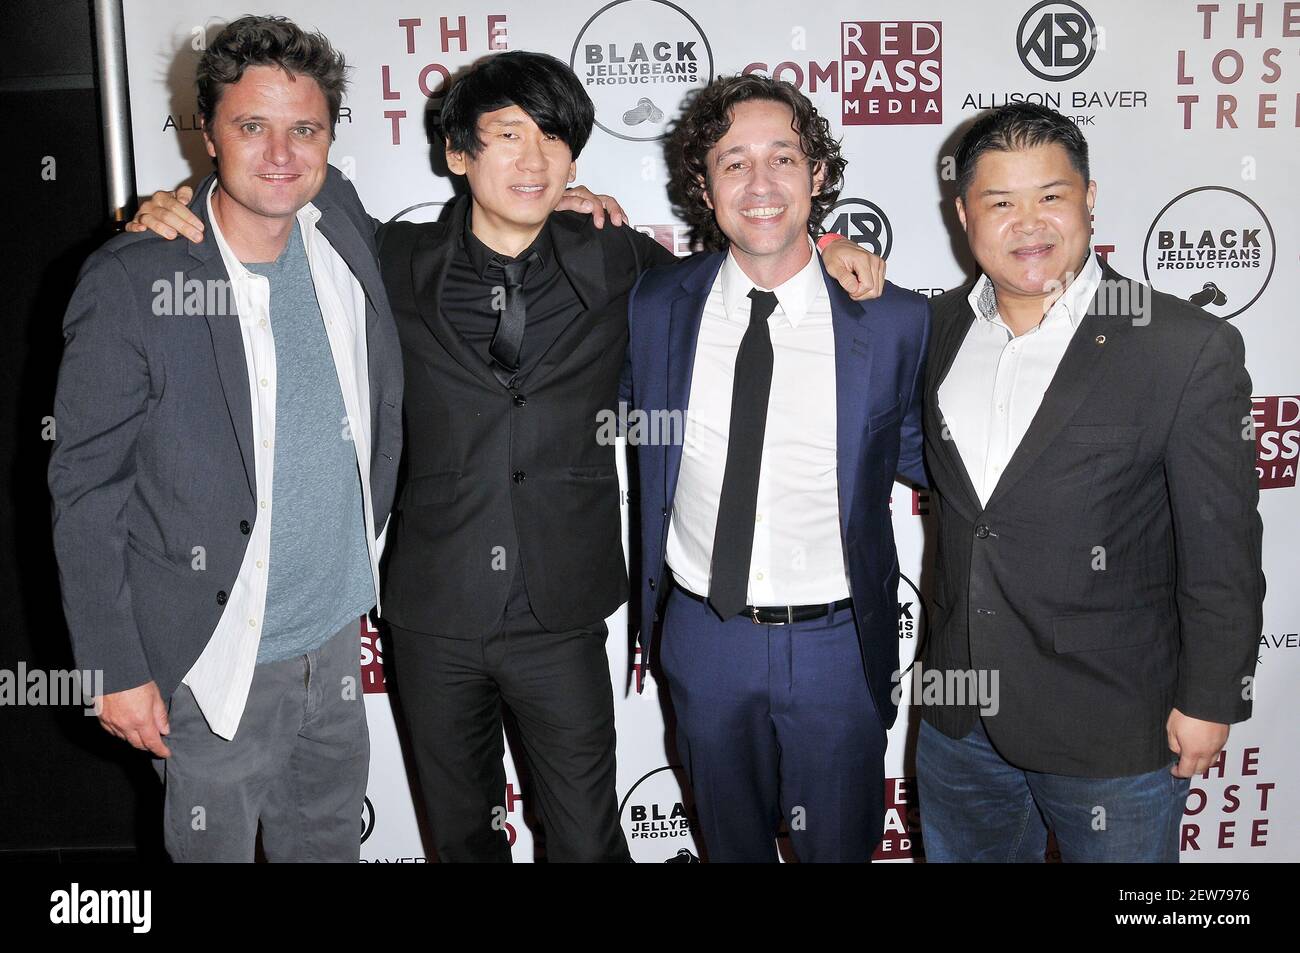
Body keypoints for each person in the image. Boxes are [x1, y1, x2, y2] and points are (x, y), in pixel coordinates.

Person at [133, 50, 886, 862]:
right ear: (458, 153)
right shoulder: (388, 260)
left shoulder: (620, 261)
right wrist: (171, 203)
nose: (534, 160)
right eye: (507, 135)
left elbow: (748, 270)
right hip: (431, 610)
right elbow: (269, 188)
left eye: (554, 138)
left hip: (560, 613)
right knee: (462, 839)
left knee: (588, 839)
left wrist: (829, 243)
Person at [48, 15, 403, 861]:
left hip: (333, 643)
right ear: (207, 131)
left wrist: (571, 202)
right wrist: (112, 668)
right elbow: (85, 487)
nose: (281, 153)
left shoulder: (343, 222)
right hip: (212, 667)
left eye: (303, 128)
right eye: (252, 126)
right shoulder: (135, 279)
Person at [916, 102, 1264, 863]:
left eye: (1052, 196)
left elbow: (1223, 546)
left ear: (1090, 198)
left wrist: (1211, 697)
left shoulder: (1181, 345)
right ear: (963, 212)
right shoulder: (935, 329)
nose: (1028, 223)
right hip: (960, 721)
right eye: (1001, 202)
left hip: (1117, 727)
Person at [624, 74, 930, 862]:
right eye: (733, 162)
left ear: (818, 175)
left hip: (837, 643)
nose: (760, 184)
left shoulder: (894, 318)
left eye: (783, 158)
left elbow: (943, 459)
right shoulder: (655, 305)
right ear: (703, 184)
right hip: (702, 632)